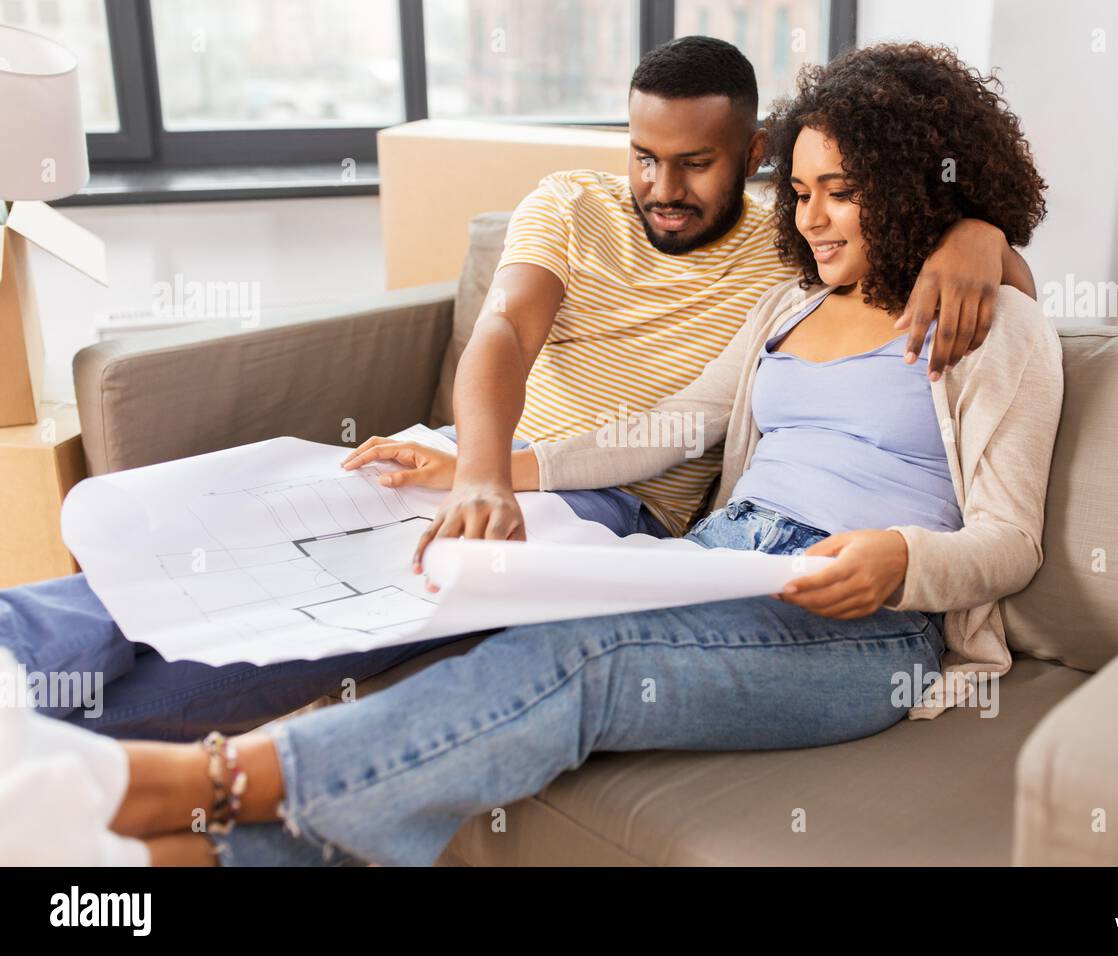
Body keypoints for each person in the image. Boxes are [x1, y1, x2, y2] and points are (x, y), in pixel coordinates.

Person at [36, 41, 1062, 866]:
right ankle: (197, 858)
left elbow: (1009, 541)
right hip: (722, 559)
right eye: (801, 193)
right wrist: (495, 467)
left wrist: (903, 563)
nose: (812, 217)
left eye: (841, 190)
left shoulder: (993, 325)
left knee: (578, 657)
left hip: (868, 627)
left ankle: (198, 781)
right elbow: (667, 428)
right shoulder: (783, 307)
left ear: (903, 181)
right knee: (491, 627)